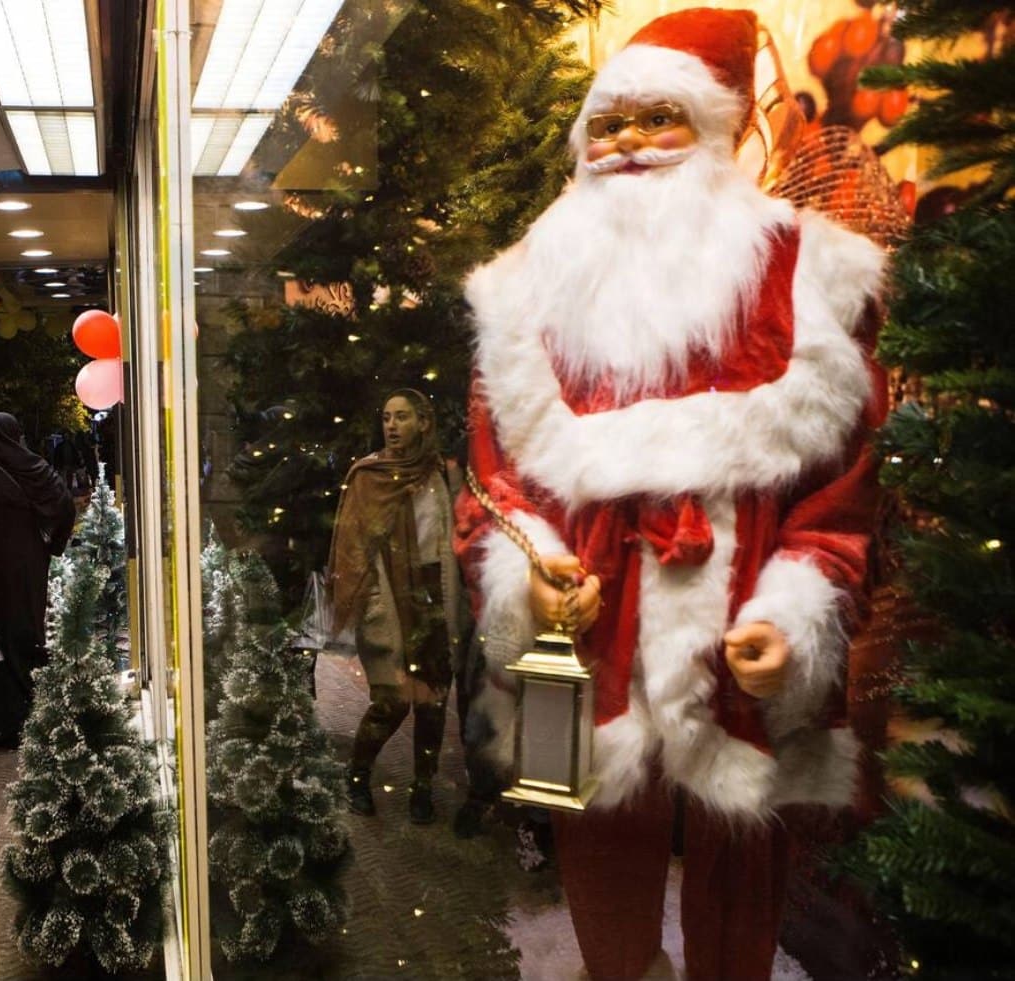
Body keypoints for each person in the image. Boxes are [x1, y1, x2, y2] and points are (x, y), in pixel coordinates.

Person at [454, 9, 886, 980]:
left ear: (717, 129)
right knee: (603, 843)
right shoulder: (528, 290)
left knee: (743, 858)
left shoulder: (812, 278)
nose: (628, 146)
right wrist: (532, 575)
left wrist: (793, 614)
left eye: (661, 119)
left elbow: (841, 493)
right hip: (596, 635)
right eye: (608, 124)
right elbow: (494, 474)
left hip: (741, 636)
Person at [326, 389, 464, 825]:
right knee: (391, 701)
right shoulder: (370, 475)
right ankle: (357, 776)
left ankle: (422, 788)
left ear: (424, 422)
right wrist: (366, 606)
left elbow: (456, 539)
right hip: (387, 598)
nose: (391, 425)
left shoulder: (444, 473)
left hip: (434, 597)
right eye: (386, 417)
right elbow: (351, 550)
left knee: (434, 701)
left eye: (402, 417)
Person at [0, 412, 76, 749]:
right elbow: (65, 507)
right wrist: (53, 546)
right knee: (29, 631)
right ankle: (37, 710)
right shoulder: (37, 469)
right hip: (32, 564)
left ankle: (9, 722)